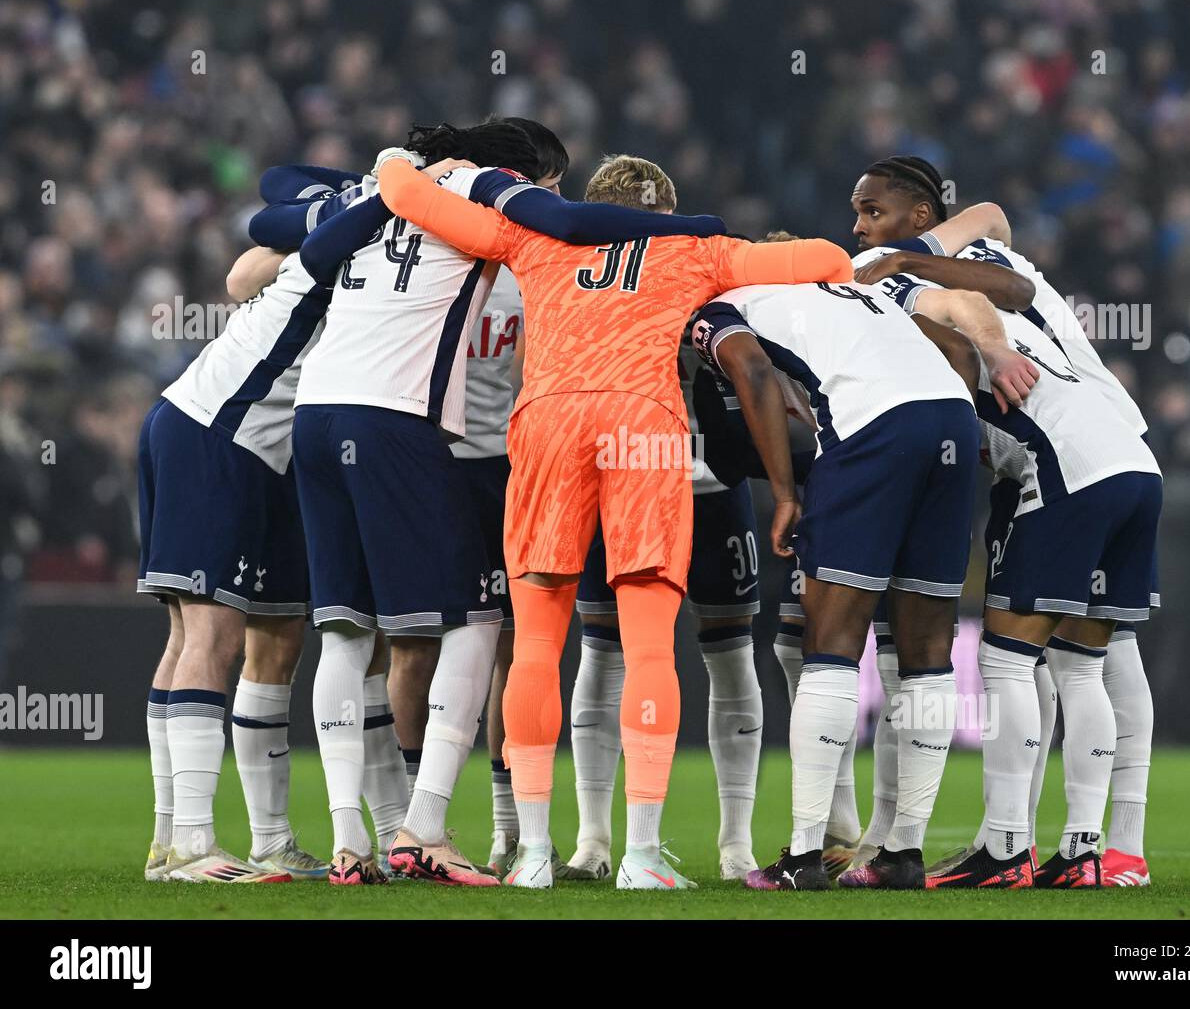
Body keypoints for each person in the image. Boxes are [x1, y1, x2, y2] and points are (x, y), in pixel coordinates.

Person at [377, 151, 853, 889]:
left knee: (535, 643)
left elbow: (408, 197)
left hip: (546, 423)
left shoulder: (532, 236)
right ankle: (641, 856)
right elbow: (827, 258)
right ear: (662, 206)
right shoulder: (691, 250)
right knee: (649, 644)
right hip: (643, 427)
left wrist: (397, 163)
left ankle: (534, 853)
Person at [852, 161, 1157, 887]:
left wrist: (984, 348)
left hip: (1060, 459)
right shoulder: (984, 250)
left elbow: (966, 310)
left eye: (870, 212)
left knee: (1005, 660)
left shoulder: (883, 275)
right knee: (1091, 663)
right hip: (1128, 447)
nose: (858, 229)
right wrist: (911, 249)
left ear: (917, 215)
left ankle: (1006, 847)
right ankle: (1095, 849)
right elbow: (989, 215)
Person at [691, 265, 1032, 890]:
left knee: (832, 647)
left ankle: (803, 857)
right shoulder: (854, 293)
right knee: (929, 653)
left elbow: (754, 372)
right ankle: (902, 855)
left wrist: (789, 493)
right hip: (953, 422)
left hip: (871, 431)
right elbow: (958, 349)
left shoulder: (716, 307)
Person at [136, 174, 397, 884]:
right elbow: (246, 258)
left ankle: (258, 840)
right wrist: (348, 204)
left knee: (274, 642)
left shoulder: (376, 235)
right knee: (207, 636)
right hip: (216, 430)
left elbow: (250, 261)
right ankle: (188, 840)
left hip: (269, 449)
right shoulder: (365, 231)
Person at [561, 339, 767, 882]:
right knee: (603, 651)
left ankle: (736, 846)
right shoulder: (610, 272)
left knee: (730, 653)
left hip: (712, 486)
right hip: (623, 479)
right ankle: (593, 840)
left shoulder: (716, 278)